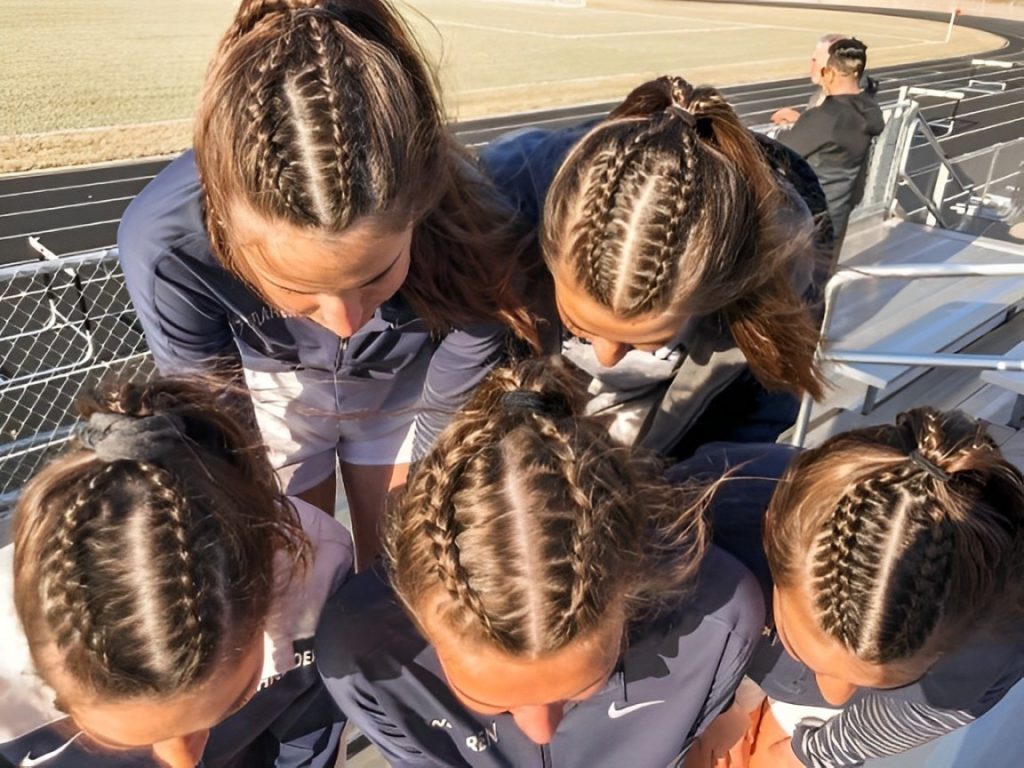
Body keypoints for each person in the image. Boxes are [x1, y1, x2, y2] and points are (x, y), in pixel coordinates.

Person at [117, 0, 537, 568]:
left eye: (375, 275)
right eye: (299, 289)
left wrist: (437, 442)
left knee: (404, 567)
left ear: (421, 210)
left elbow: (480, 330)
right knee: (293, 566)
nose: (348, 322)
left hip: (409, 385)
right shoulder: (164, 243)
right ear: (225, 236)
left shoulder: (470, 212)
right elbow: (217, 408)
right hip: (270, 388)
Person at [315, 356, 765, 767]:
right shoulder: (360, 658)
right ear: (410, 613)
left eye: (581, 690)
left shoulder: (719, 624)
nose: (539, 727)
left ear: (634, 584)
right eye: (492, 700)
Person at [0, 378, 354, 768]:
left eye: (232, 706)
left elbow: (307, 739)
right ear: (41, 671)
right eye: (114, 740)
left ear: (266, 598)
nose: (183, 761)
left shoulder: (314, 575)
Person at [482, 76, 830, 457]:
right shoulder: (498, 216)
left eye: (645, 344)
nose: (605, 357)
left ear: (720, 292)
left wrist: (677, 490)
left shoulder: (779, 271)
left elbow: (757, 418)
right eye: (579, 327)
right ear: (543, 252)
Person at [672, 408, 1024, 768]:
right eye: (800, 646)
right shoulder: (700, 522)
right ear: (769, 531)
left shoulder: (997, 623)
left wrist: (811, 754)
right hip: (726, 665)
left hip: (843, 703)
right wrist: (719, 706)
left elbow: (929, 712)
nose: (834, 695)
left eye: (893, 677)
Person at [778, 38, 885, 251]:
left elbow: (777, 152)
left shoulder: (826, 117)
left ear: (830, 73)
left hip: (810, 217)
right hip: (839, 213)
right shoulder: (869, 110)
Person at [771, 34, 877, 126]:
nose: (811, 67)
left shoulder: (853, 98)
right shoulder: (819, 96)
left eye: (816, 61)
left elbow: (838, 134)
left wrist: (798, 121)